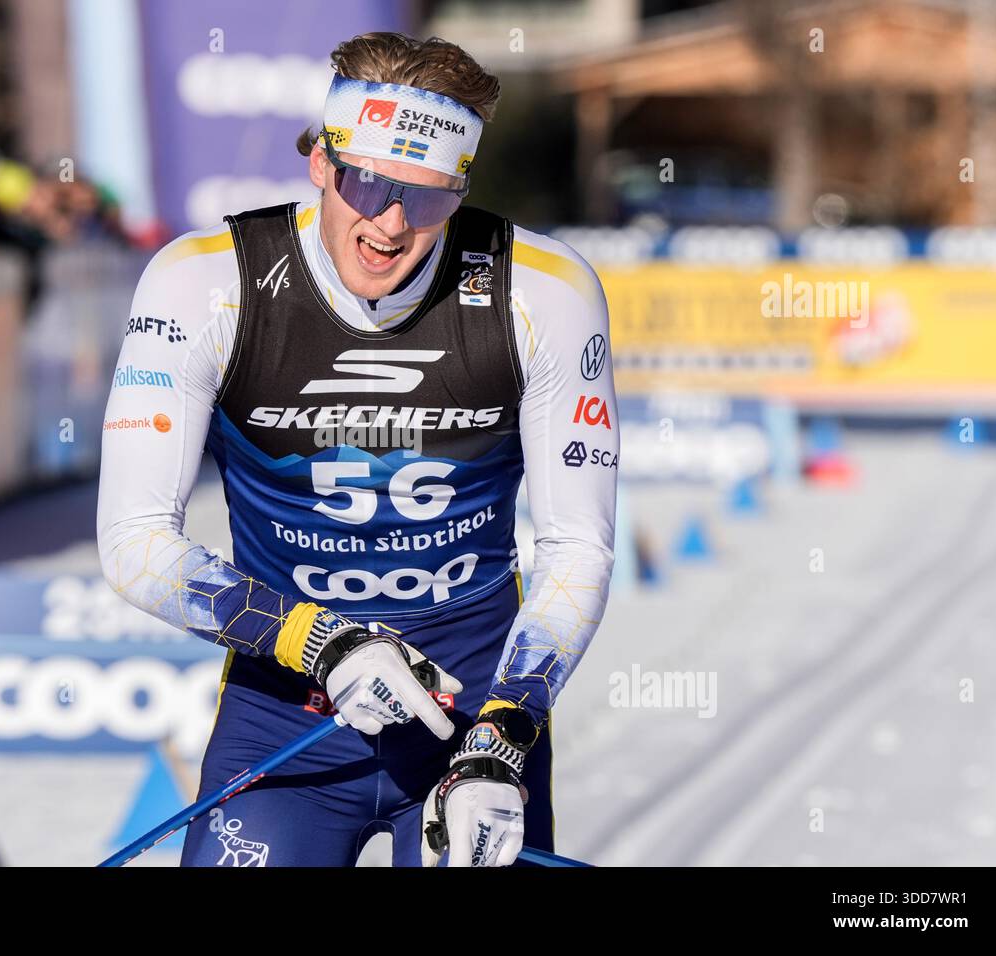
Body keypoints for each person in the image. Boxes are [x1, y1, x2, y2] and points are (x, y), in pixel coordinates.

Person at [97, 32, 617, 867]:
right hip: (287, 713)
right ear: (319, 162)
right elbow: (133, 542)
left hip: (471, 724)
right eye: (365, 180)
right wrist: (324, 643)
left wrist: (509, 729)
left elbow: (575, 546)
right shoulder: (203, 281)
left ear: (462, 189)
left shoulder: (543, 290)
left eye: (427, 197)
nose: (389, 221)